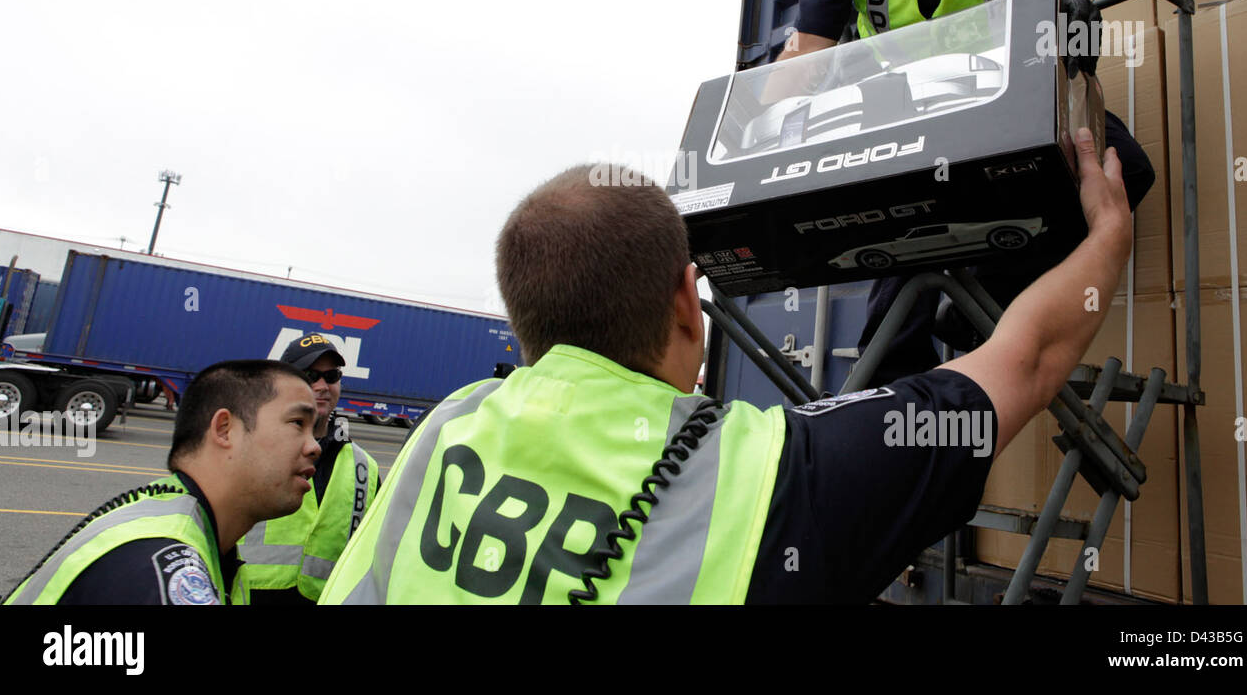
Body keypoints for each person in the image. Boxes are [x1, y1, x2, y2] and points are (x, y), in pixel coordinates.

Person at [320, 137, 1130, 604]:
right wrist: (1107, 239)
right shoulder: (776, 474)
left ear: (522, 319)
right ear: (686, 300)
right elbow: (1020, 362)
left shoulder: (445, 429)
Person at [781, 0, 1155, 382]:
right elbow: (807, 49)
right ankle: (897, 419)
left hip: (1002, 98)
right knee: (898, 288)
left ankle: (985, 303)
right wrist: (757, 115)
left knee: (1126, 169)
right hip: (902, 123)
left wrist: (1067, 1)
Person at [1, 360, 321, 605]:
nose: (314, 446)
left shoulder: (183, 528)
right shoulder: (161, 570)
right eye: (297, 423)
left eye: (314, 429)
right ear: (224, 429)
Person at [234, 332, 379, 604]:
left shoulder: (364, 466)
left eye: (332, 376)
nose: (323, 385)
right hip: (251, 595)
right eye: (311, 376)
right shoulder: (250, 448)